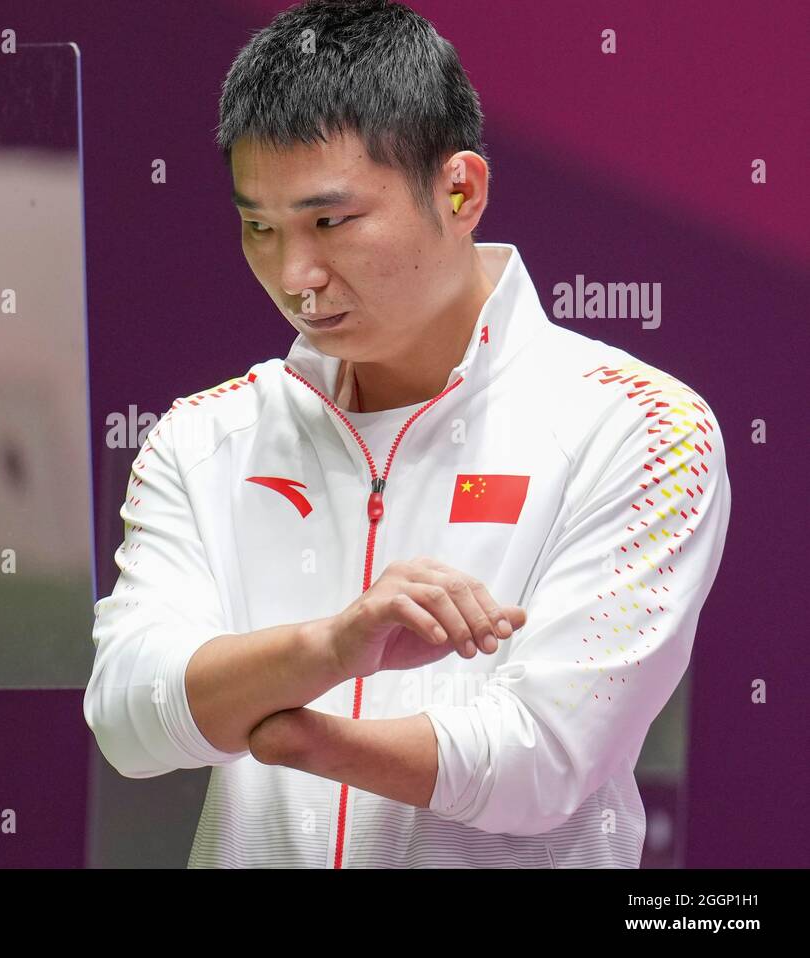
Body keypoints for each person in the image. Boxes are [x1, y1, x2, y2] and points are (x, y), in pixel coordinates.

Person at [83, 0, 731, 868]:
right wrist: (329, 648)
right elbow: (129, 720)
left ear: (459, 189)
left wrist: (291, 731)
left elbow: (542, 760)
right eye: (259, 228)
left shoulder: (644, 424)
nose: (296, 277)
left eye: (331, 221)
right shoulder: (204, 436)